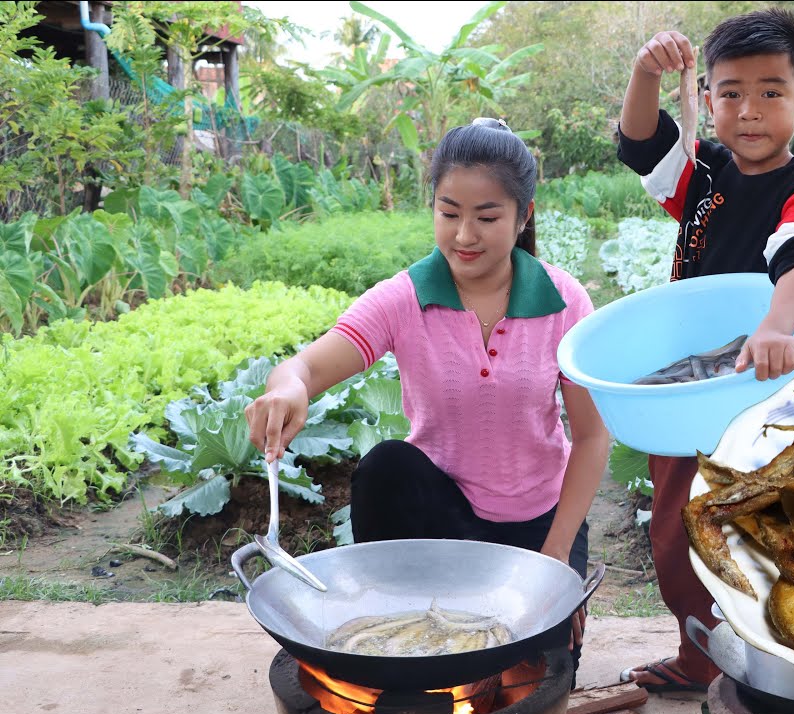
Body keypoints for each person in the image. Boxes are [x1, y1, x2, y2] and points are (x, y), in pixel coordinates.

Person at [244, 117, 611, 658]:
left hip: (539, 525)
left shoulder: (564, 301)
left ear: (523, 215)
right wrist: (288, 392)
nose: (464, 236)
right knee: (387, 467)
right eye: (449, 213)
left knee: (536, 669)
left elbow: (593, 437)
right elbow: (304, 368)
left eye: (487, 217)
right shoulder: (404, 298)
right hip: (439, 522)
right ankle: (400, 609)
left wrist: (556, 558)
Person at [615, 8, 794, 694]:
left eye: (771, 92)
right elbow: (640, 142)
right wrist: (644, 72)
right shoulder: (702, 173)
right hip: (685, 393)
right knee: (673, 534)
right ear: (708, 99)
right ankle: (700, 655)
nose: (749, 110)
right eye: (732, 92)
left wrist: (775, 327)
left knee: (757, 535)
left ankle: (773, 670)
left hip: (758, 391)